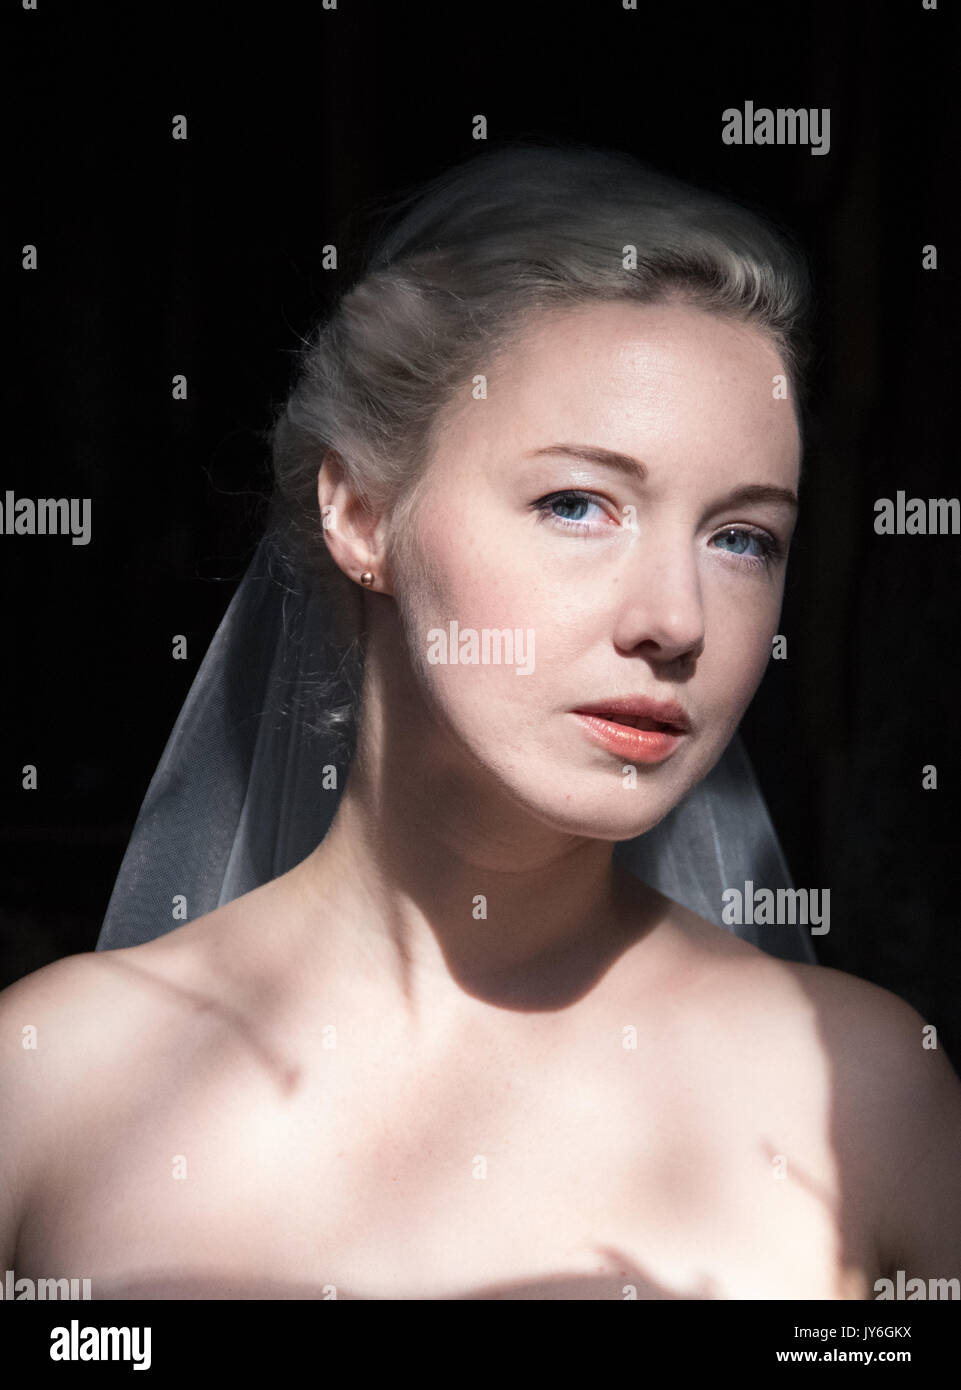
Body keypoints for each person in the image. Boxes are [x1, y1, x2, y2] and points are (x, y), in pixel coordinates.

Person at [1, 143, 958, 1301]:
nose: (674, 620)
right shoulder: (49, 1080)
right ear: (359, 511)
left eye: (740, 536)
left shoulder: (870, 1092)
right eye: (576, 503)